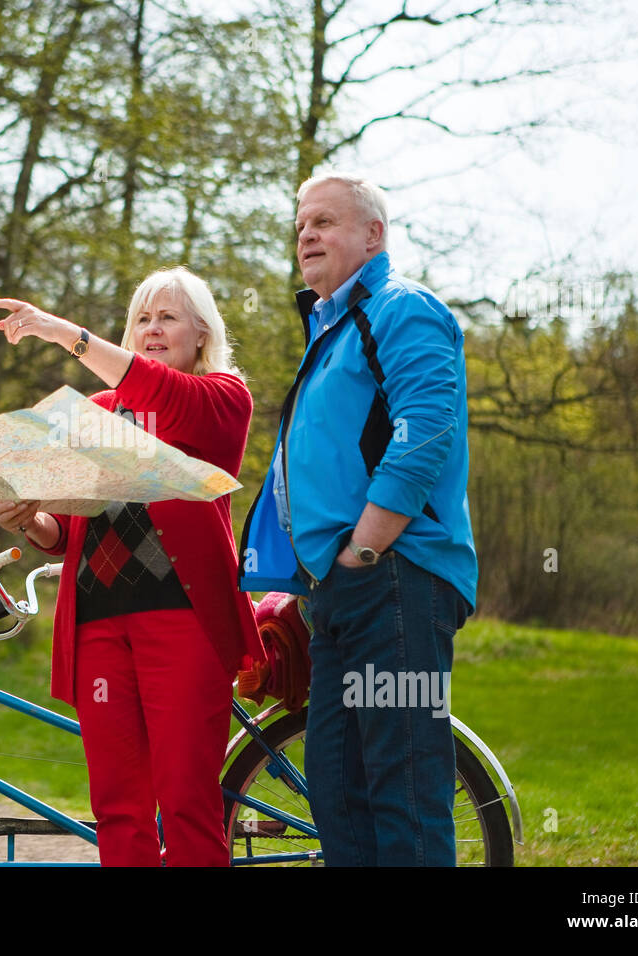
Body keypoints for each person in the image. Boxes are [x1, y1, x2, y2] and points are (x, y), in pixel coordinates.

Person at [238, 173, 478, 866]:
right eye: (300, 226)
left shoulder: (402, 309)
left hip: (398, 579)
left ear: (373, 234)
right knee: (338, 791)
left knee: (402, 783)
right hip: (338, 594)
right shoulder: (331, 327)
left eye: (325, 222)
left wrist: (364, 550)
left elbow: (425, 432)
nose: (306, 234)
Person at [0, 268, 266, 866]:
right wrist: (27, 516)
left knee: (188, 802)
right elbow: (68, 528)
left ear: (201, 333)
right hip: (99, 627)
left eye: (168, 317)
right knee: (118, 807)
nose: (153, 328)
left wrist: (66, 334)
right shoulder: (97, 409)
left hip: (184, 626)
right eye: (142, 318)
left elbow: (163, 393)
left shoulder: (220, 397)